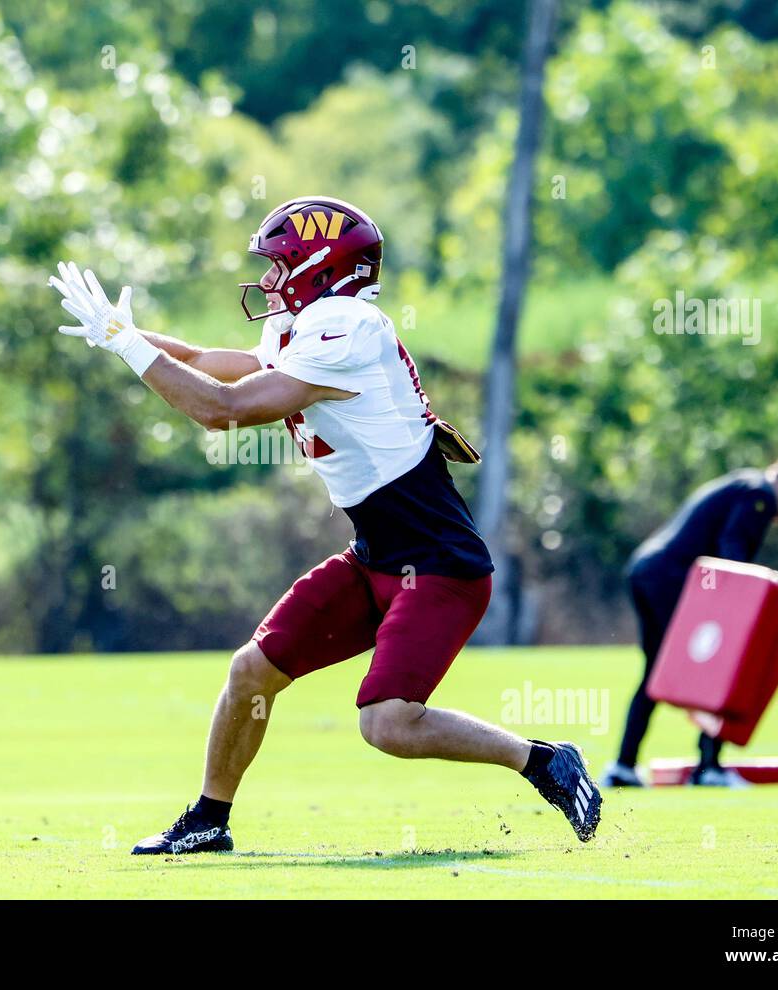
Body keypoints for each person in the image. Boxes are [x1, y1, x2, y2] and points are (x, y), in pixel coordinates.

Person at [48, 196, 602, 852]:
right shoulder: (305, 326)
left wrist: (128, 347)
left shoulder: (347, 326)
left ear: (321, 268)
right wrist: (125, 334)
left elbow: (222, 408)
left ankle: (542, 761)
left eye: (280, 265)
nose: (269, 279)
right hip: (374, 557)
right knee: (251, 672)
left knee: (387, 723)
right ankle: (207, 820)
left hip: (438, 566)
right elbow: (208, 360)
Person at [599, 458, 778, 788]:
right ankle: (709, 768)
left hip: (647, 572)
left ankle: (624, 766)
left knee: (658, 672)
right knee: (718, 672)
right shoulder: (760, 495)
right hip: (670, 579)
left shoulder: (747, 485)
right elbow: (732, 546)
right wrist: (745, 598)